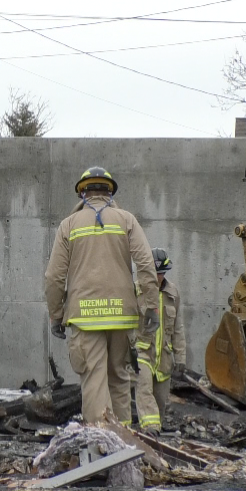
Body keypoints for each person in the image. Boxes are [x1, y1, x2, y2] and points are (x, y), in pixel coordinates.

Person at [44, 166, 160, 426]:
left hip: (85, 319)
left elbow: (53, 277)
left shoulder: (69, 225)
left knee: (94, 379)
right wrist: (151, 307)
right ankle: (124, 441)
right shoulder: (126, 220)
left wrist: (56, 315)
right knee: (119, 378)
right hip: (122, 317)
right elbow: (145, 266)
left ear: (82, 193)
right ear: (110, 193)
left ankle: (101, 446)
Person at [134, 248, 187, 432]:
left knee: (160, 400)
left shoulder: (173, 294)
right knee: (144, 389)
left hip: (164, 357)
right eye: (154, 273)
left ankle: (156, 429)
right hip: (141, 352)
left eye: (161, 273)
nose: (158, 277)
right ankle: (151, 430)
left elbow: (178, 329)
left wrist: (180, 357)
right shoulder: (136, 291)